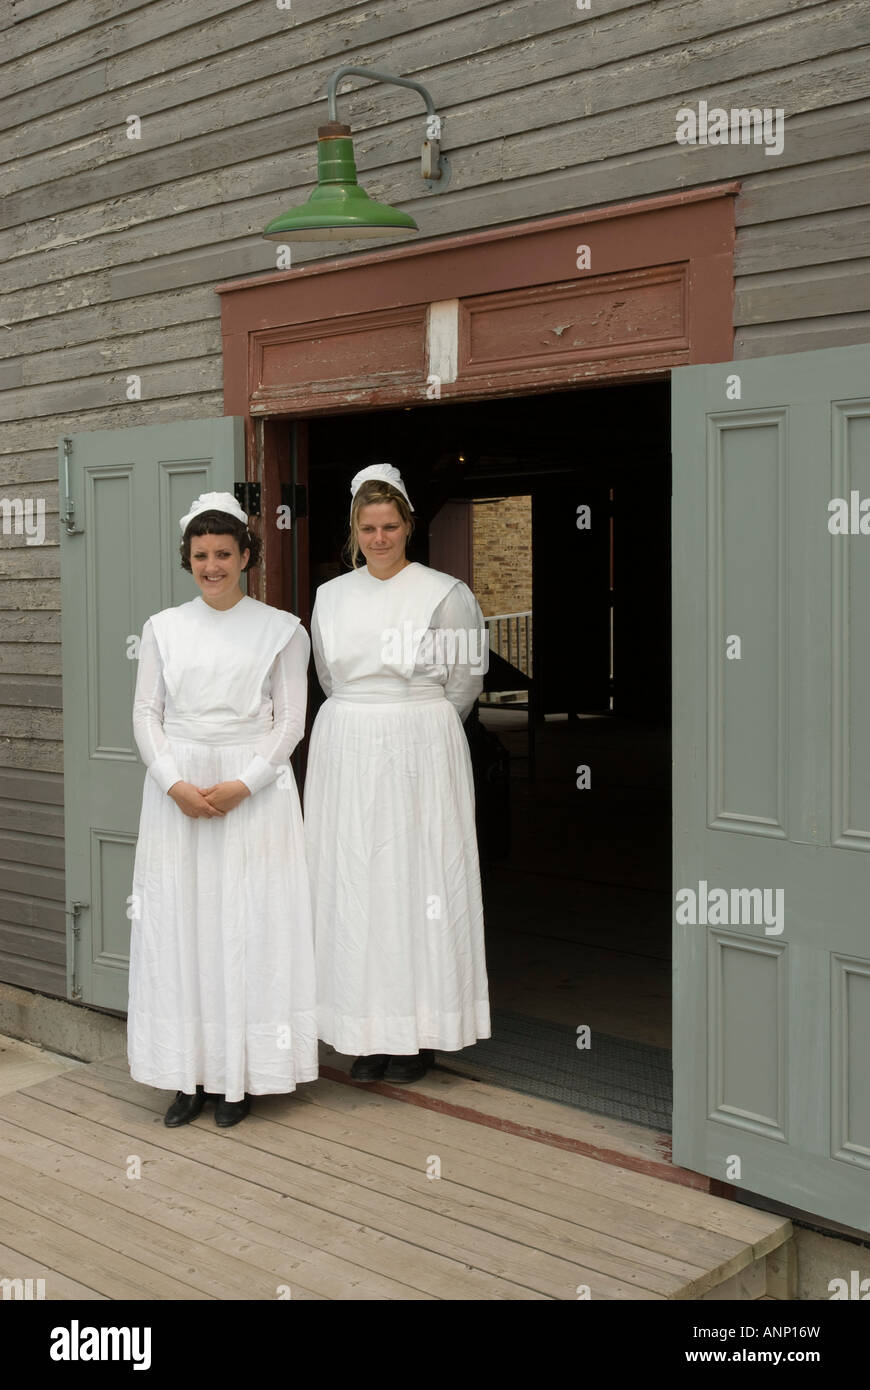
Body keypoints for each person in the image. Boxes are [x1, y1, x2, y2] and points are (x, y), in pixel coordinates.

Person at [128, 491, 317, 1127]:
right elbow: (146, 713)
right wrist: (173, 781)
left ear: (246, 557)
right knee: (184, 929)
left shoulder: (283, 629)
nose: (213, 566)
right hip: (178, 795)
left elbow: (291, 719)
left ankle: (242, 1076)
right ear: (188, 560)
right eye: (201, 555)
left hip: (252, 797)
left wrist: (245, 783)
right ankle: (190, 1075)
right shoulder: (162, 628)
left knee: (247, 926)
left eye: (224, 554)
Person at [304, 464, 491, 1084]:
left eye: (389, 526)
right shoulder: (331, 596)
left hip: (419, 745)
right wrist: (367, 720)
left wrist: (415, 726)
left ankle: (418, 1034)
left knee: (417, 881)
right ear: (353, 530)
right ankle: (364, 1029)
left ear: (408, 525)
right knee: (357, 880)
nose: (378, 538)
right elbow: (331, 676)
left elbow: (465, 683)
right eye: (367, 527)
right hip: (349, 746)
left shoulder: (446, 592)